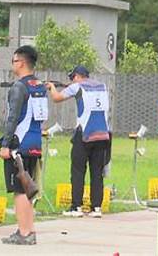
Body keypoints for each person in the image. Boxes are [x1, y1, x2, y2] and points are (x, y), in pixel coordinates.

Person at [46, 66, 110, 218]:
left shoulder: (76, 86)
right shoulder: (102, 86)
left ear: (76, 76)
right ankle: (96, 208)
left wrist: (52, 87)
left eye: (72, 77)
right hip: (103, 134)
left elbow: (56, 98)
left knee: (78, 171)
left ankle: (76, 207)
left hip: (84, 134)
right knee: (97, 173)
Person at [0, 45, 47, 245]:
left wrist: (6, 144)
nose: (13, 65)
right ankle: (29, 230)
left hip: (19, 146)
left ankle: (25, 233)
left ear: (21, 62)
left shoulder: (19, 87)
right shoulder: (40, 85)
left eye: (13, 61)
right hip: (35, 143)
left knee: (19, 191)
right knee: (28, 190)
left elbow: (13, 118)